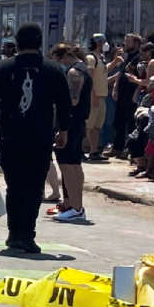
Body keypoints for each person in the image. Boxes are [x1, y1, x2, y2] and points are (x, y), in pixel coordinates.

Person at [0, 21, 67, 256]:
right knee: (34, 186)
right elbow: (64, 102)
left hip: (11, 134)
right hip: (40, 135)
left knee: (14, 186)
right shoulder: (53, 70)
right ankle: (27, 234)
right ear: (40, 43)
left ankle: (14, 232)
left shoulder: (4, 68)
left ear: (17, 43)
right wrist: (64, 130)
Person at [51, 41, 92, 226]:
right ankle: (71, 204)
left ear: (64, 56)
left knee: (68, 166)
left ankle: (76, 208)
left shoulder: (74, 73)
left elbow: (72, 100)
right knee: (74, 164)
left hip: (71, 122)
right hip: (78, 122)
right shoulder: (83, 69)